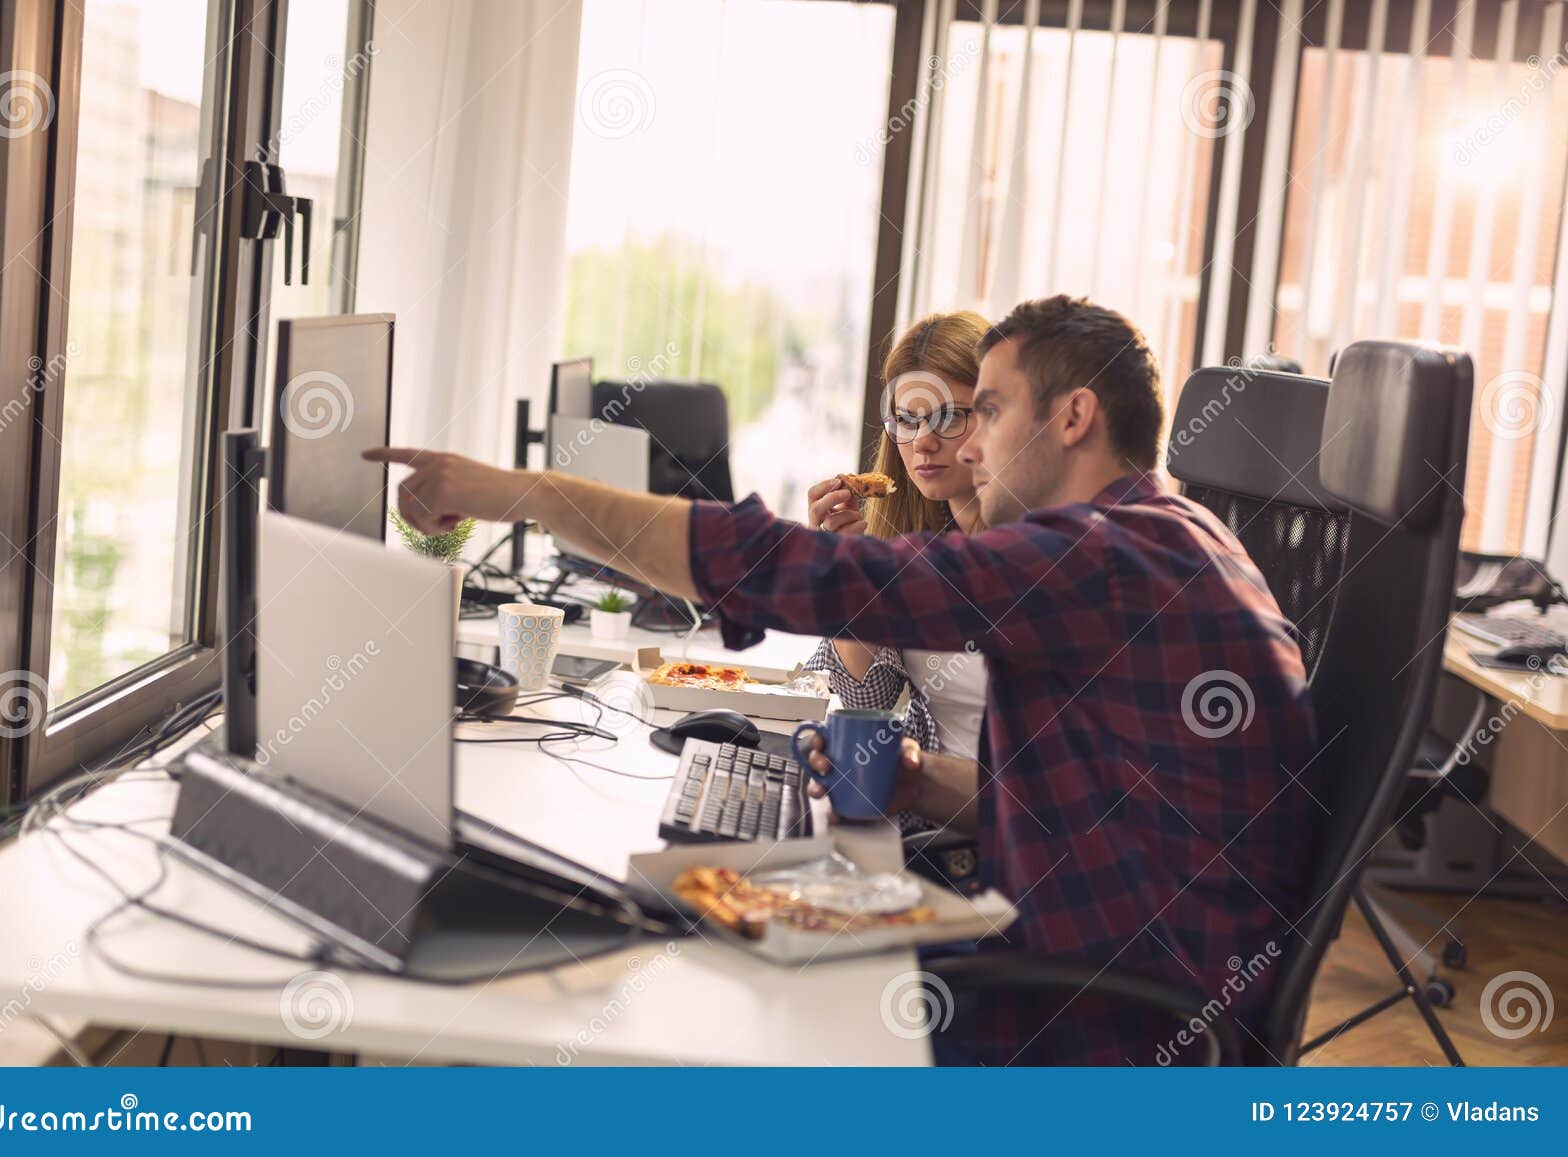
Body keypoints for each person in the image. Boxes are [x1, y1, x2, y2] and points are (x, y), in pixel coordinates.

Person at [365, 294, 1319, 1065]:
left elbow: (793, 570)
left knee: (693, 1006)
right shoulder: (1165, 535)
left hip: (1100, 1024)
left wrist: (515, 490)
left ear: (1074, 417)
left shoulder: (1101, 558)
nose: (966, 445)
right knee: (689, 948)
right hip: (1102, 972)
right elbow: (1103, 803)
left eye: (987, 410)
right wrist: (918, 782)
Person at [804, 311, 988, 765]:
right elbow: (869, 700)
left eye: (949, 416)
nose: (922, 442)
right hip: (921, 797)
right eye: (906, 420)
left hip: (995, 807)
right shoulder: (916, 544)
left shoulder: (1043, 548)